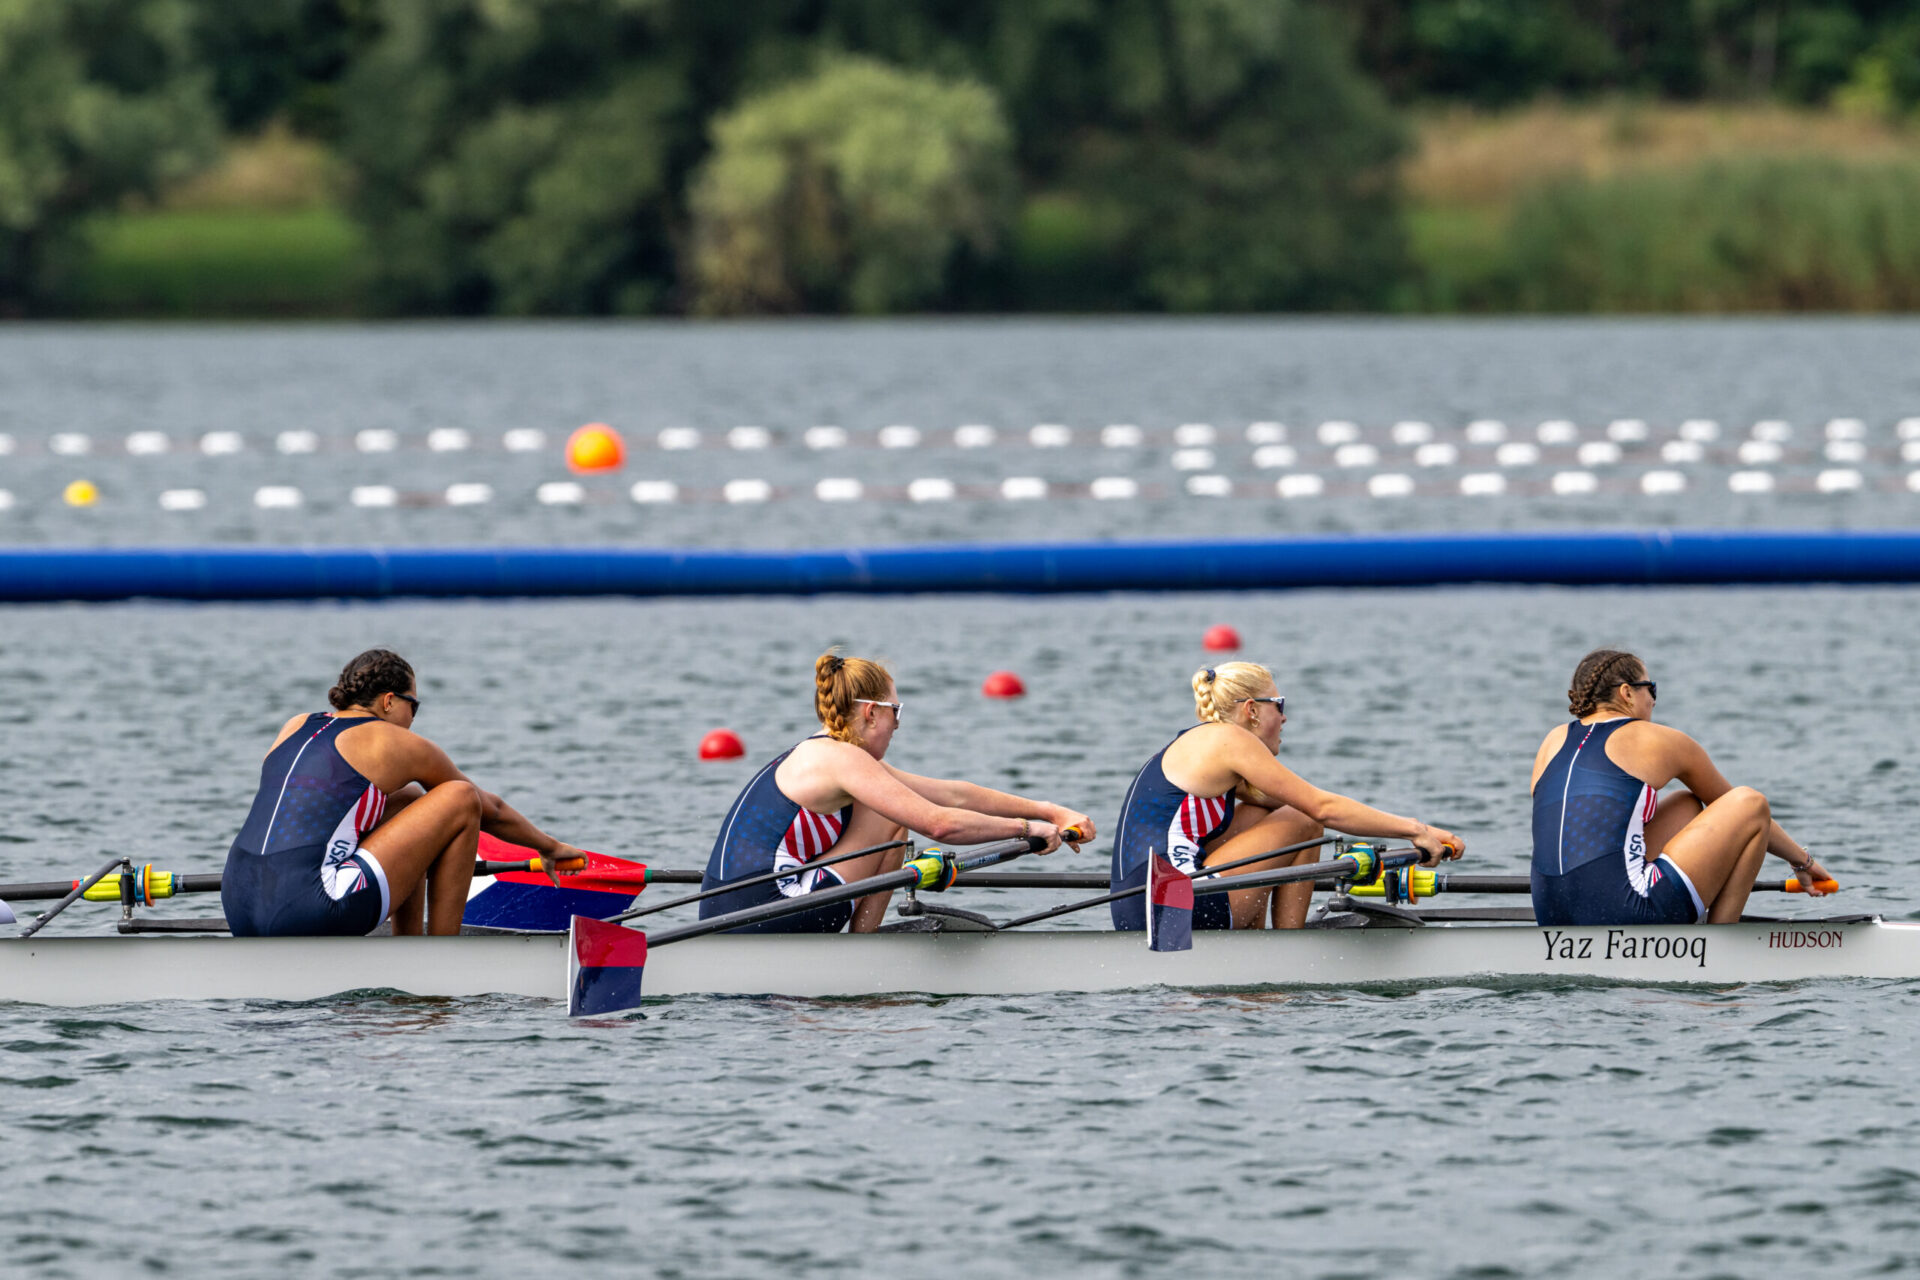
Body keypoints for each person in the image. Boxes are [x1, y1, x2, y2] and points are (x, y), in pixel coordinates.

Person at [700, 651, 1096, 933]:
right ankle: (863, 956)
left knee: (890, 807)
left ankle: (859, 952)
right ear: (871, 712)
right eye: (896, 711)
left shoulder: (827, 755)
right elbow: (940, 825)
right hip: (764, 912)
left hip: (723, 913)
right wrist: (1026, 829)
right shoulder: (842, 760)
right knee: (891, 817)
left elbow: (952, 795)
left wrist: (1049, 811)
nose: (897, 725)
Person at [222, 649, 583, 937]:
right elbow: (491, 809)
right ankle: (440, 958)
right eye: (414, 705)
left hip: (238, 902)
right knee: (460, 798)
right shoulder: (393, 741)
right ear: (389, 701)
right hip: (313, 906)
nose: (413, 718)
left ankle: (407, 945)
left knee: (410, 801)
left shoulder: (296, 724)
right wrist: (549, 847)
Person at [1111, 662, 1463, 931]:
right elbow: (1320, 809)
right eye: (1279, 705)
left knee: (1264, 814)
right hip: (1174, 904)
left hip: (1138, 907)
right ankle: (1289, 946)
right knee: (1303, 819)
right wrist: (1414, 830)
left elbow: (1311, 806)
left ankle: (1260, 945)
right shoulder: (1230, 740)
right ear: (1251, 709)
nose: (1284, 717)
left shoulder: (1199, 746)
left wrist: (1422, 830)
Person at [1530, 648, 1831, 926]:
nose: (1654, 700)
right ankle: (1721, 944)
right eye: (1651, 688)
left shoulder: (1552, 741)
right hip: (1630, 911)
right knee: (1752, 803)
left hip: (1551, 914)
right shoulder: (1656, 739)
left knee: (1686, 805)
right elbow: (1742, 812)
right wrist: (1802, 861)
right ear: (1627, 693)